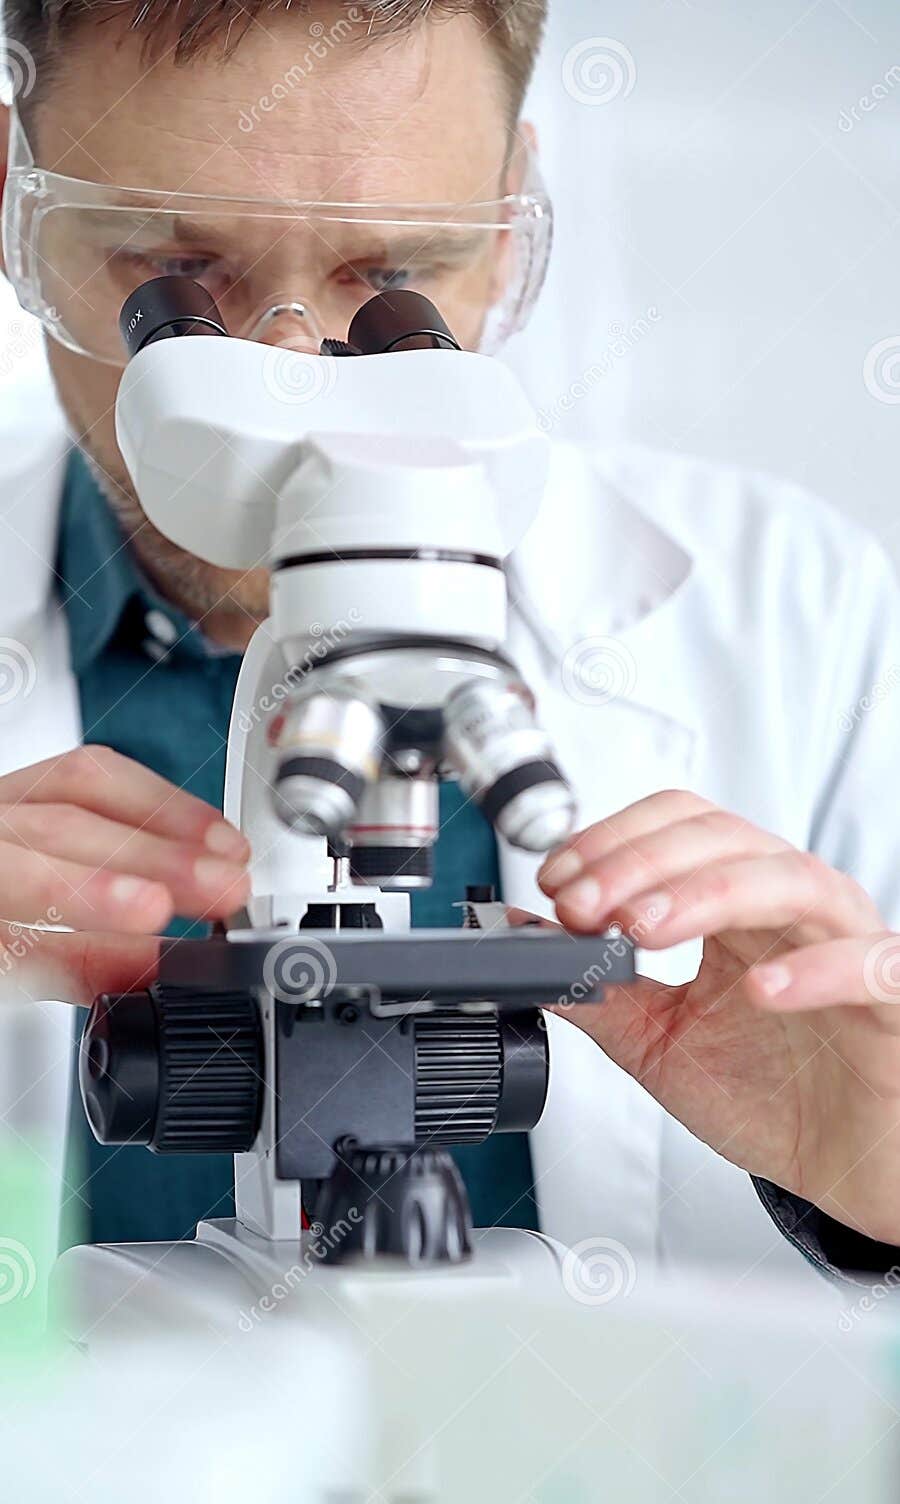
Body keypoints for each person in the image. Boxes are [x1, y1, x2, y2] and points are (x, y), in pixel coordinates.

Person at [0, 0, 898, 1282]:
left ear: (511, 215)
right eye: (170, 273)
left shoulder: (807, 612)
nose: (297, 367)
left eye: (394, 284)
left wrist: (877, 1190)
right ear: (15, 203)